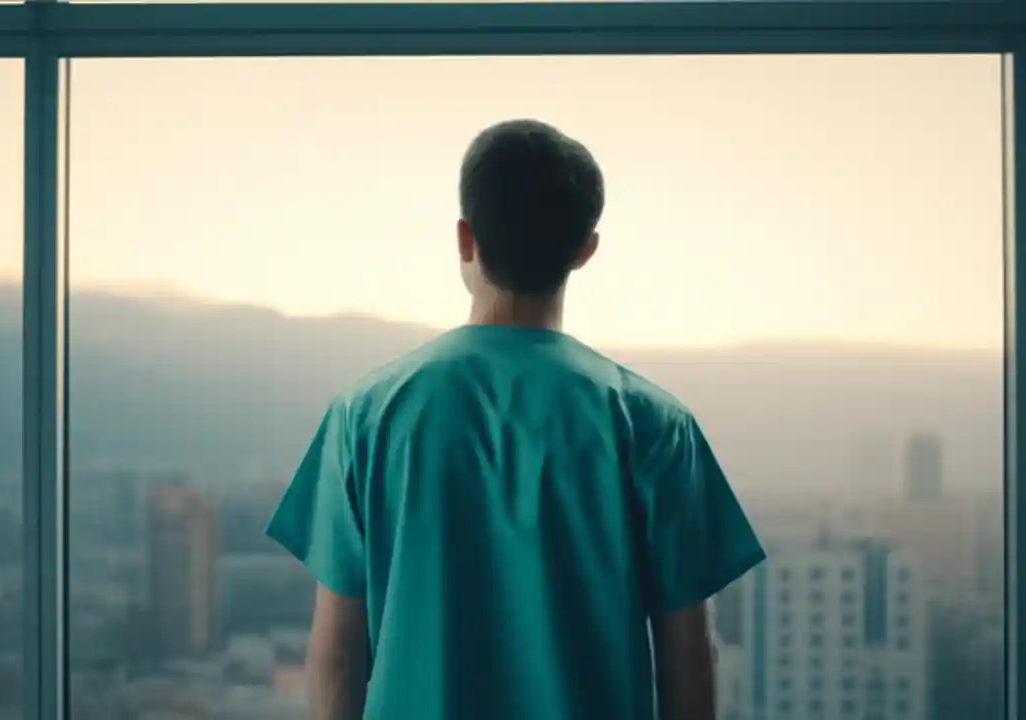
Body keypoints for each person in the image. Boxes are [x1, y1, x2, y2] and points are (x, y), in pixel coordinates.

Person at [266, 119, 765, 720]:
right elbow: (686, 655)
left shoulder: (368, 415)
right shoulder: (652, 424)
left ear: (464, 238)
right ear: (586, 249)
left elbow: (339, 652)